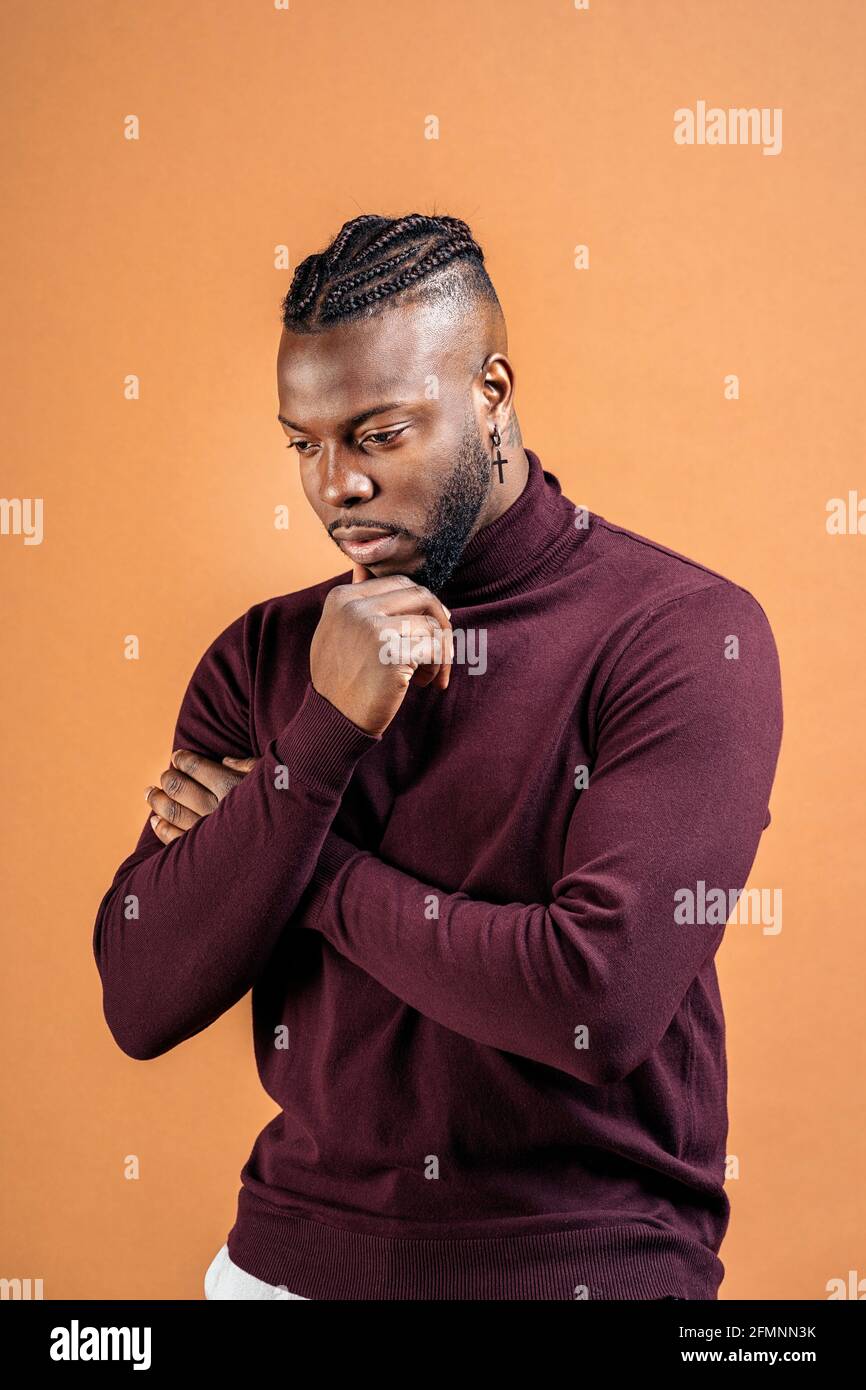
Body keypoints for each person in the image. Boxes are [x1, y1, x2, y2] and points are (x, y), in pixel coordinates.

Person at [92, 212, 783, 1301]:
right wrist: (319, 739)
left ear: (491, 395)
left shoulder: (680, 634)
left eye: (377, 434)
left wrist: (296, 855)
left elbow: (592, 1003)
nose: (334, 487)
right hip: (281, 1271)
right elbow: (138, 998)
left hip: (580, 1273)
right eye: (302, 443)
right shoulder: (271, 655)